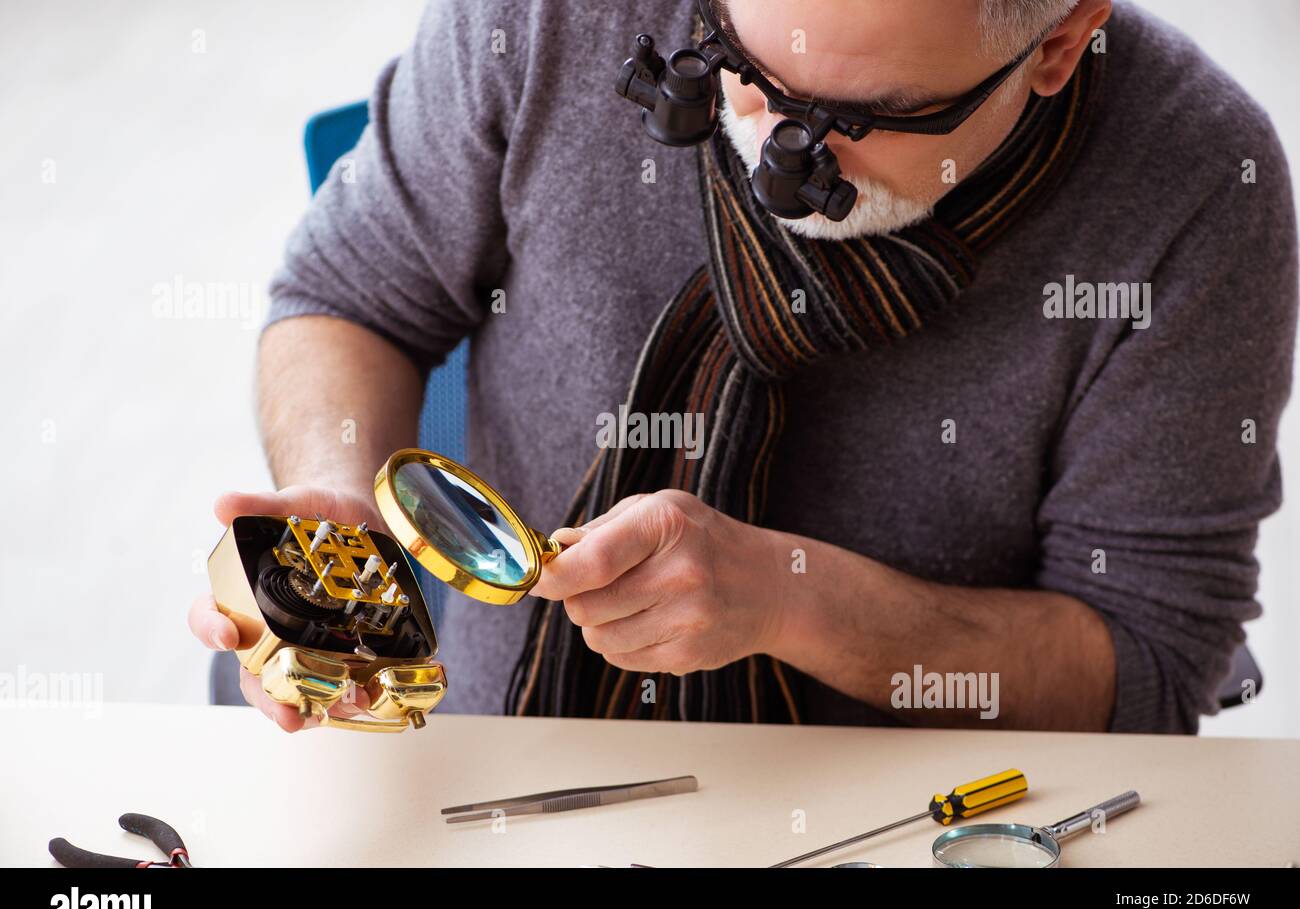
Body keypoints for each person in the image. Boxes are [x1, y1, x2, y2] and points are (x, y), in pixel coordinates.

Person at [188, 0, 1297, 734]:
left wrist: (799, 602)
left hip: (900, 811)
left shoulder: (1199, 188)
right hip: (485, 744)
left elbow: (1150, 656)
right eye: (739, 70)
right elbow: (348, 295)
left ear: (1058, 40)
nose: (771, 152)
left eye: (860, 119)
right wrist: (336, 490)